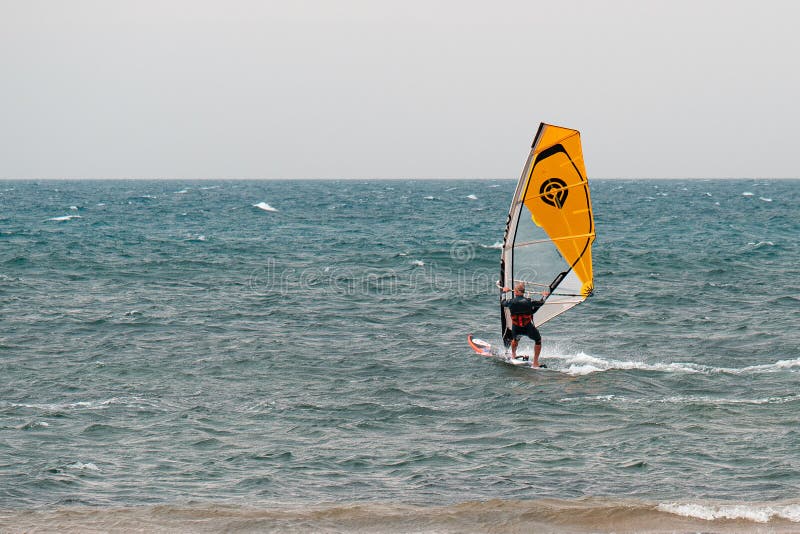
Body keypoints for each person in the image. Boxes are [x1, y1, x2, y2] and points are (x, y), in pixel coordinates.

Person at [501, 282, 549, 368]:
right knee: (538, 340)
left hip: (516, 328)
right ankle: (535, 362)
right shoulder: (529, 301)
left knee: (515, 339)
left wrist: (504, 292)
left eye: (515, 291)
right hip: (528, 328)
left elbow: (503, 302)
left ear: (516, 292)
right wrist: (544, 295)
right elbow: (541, 303)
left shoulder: (511, 302)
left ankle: (513, 355)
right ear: (523, 292)